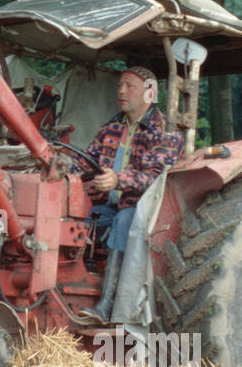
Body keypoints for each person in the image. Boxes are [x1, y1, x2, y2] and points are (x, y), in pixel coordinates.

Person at [70, 66, 183, 325]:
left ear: (149, 93)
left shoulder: (166, 130)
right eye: (119, 85)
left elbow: (156, 177)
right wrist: (61, 166)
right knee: (75, 219)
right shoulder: (111, 127)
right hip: (109, 205)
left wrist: (118, 179)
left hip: (147, 209)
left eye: (129, 86)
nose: (121, 91)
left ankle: (109, 306)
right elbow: (85, 163)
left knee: (124, 221)